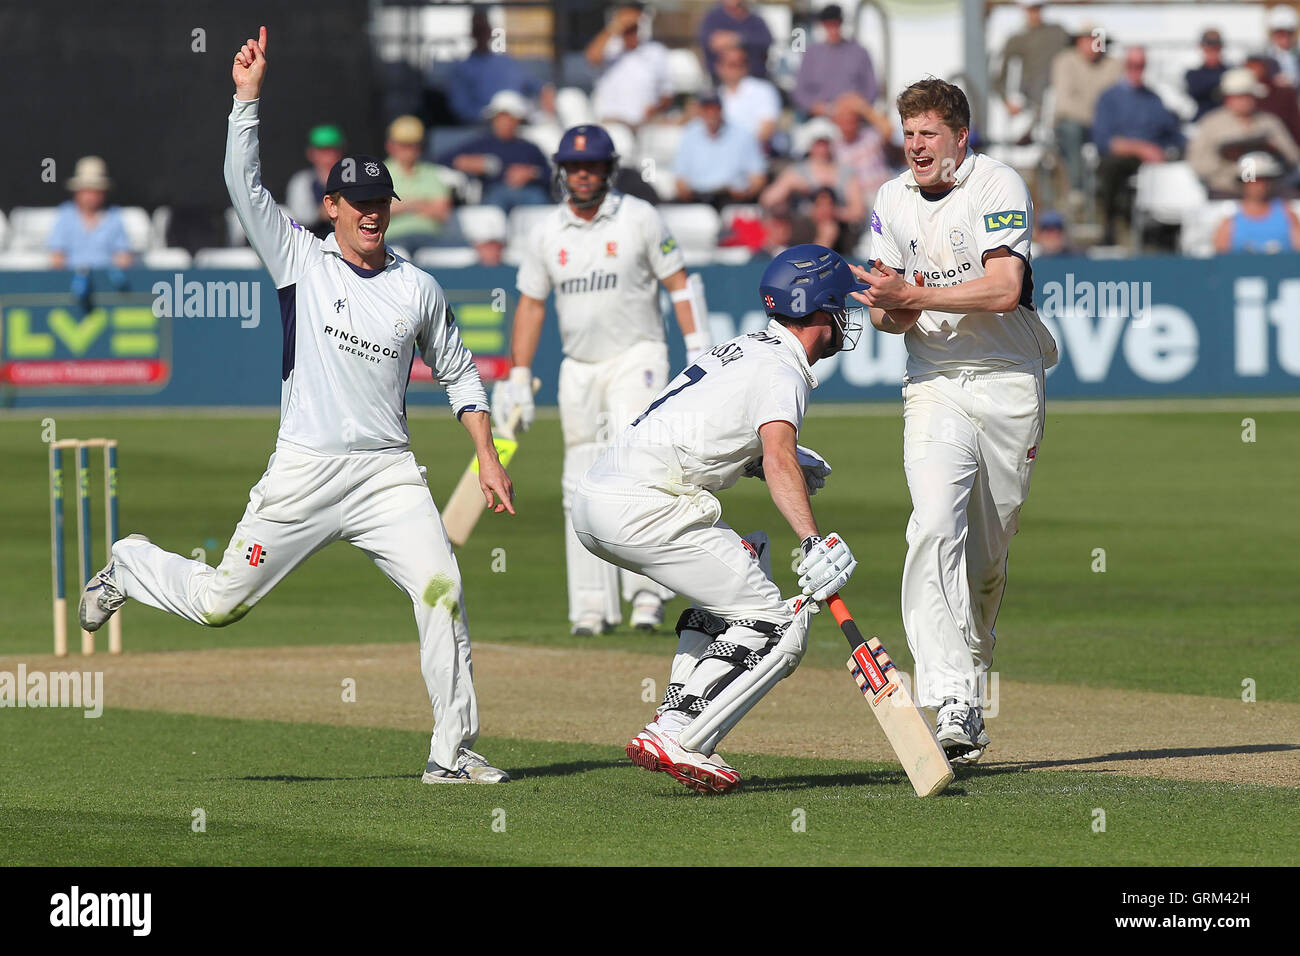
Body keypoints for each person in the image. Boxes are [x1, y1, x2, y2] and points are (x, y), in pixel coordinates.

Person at [79, 26, 516, 786]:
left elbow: (461, 373)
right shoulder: (298, 258)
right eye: (361, 203)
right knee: (220, 605)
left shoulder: (419, 286)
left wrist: (486, 456)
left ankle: (452, 753)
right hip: (306, 469)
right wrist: (246, 100)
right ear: (333, 204)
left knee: (442, 590)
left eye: (383, 202)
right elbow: (242, 188)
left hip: (387, 476)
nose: (375, 215)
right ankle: (131, 562)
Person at [570, 243, 859, 794]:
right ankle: (678, 732)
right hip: (643, 506)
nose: (844, 318)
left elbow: (713, 430)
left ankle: (678, 714)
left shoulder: (746, 347)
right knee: (775, 624)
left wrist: (767, 459)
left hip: (601, 499)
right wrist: (813, 542)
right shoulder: (783, 370)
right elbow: (777, 456)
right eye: (839, 305)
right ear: (820, 310)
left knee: (745, 562)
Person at [856, 78, 1058, 765]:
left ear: (960, 137)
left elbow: (1006, 289)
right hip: (934, 383)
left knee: (987, 558)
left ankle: (971, 665)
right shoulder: (890, 198)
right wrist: (891, 304)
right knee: (933, 524)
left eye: (928, 134)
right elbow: (886, 316)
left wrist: (913, 291)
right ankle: (954, 699)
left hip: (1008, 384)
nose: (915, 146)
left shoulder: (996, 184)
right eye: (908, 133)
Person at [494, 124, 712, 636]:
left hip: (638, 356)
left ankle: (647, 595)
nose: (583, 174)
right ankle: (591, 606)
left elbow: (678, 283)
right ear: (562, 172)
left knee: (639, 469)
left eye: (592, 165)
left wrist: (699, 348)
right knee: (579, 482)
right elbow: (530, 303)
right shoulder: (546, 232)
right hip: (579, 367)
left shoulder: (638, 217)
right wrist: (519, 373)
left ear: (609, 170)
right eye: (574, 166)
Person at [1091, 46, 1185, 244]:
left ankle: (1167, 233)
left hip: (1154, 159)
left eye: (1141, 65)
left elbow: (1172, 132)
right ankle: (1110, 225)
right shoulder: (1109, 98)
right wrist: (1141, 148)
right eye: (1132, 65)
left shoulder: (1153, 99)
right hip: (1122, 158)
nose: (1137, 69)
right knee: (1110, 167)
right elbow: (1104, 140)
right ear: (1125, 66)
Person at [1187, 68, 1300, 198]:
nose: (1244, 101)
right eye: (1239, 96)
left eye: (1248, 96)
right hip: (1227, 191)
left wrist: (1273, 153)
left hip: (1269, 192)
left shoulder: (1269, 122)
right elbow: (1197, 163)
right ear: (1227, 98)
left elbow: (1292, 156)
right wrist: (1228, 161)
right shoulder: (1211, 123)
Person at [1049, 23, 1122, 208]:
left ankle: (1108, 188)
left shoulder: (1113, 64)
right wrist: (1098, 116)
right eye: (1089, 38)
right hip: (1076, 122)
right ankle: (1077, 187)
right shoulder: (1064, 61)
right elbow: (1065, 103)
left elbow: (1116, 100)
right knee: (1070, 131)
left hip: (1105, 125)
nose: (1094, 43)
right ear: (1079, 42)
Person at [440, 91, 551, 212]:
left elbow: (551, 175)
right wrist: (466, 162)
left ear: (518, 120)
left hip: (528, 196)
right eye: (500, 117)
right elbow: (442, 160)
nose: (504, 122)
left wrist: (531, 173)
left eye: (509, 118)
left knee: (537, 199)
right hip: (493, 196)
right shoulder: (480, 145)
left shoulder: (529, 148)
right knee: (496, 202)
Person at [446, 7, 542, 126]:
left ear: (490, 31)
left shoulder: (507, 61)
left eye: (484, 30)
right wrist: (494, 118)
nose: (481, 34)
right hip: (483, 131)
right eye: (478, 30)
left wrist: (546, 93)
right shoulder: (461, 69)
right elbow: (461, 108)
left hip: (518, 127)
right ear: (472, 34)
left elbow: (535, 86)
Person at [673, 91, 767, 207]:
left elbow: (758, 177)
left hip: (731, 200)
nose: (711, 113)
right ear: (700, 111)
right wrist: (687, 194)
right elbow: (680, 179)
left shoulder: (742, 134)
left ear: (721, 110)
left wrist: (746, 194)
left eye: (714, 109)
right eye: (706, 109)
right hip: (698, 198)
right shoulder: (690, 133)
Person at [588, 3, 673, 129]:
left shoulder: (656, 51)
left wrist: (655, 109)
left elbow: (667, 94)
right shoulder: (609, 49)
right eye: (628, 29)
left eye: (635, 28)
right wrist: (617, 26)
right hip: (612, 123)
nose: (632, 33)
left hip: (646, 125)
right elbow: (592, 57)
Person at [383, 115, 460, 250]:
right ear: (391, 146)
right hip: (392, 238)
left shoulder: (433, 173)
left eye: (413, 145)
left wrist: (401, 206)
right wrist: (420, 204)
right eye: (403, 144)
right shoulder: (380, 171)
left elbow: (443, 212)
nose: (409, 150)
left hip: (430, 236)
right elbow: (377, 210)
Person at [993, 0, 1070, 133]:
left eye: (1037, 8)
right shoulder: (1016, 39)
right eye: (1031, 9)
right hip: (1027, 106)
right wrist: (1007, 102)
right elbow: (998, 74)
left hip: (1058, 103)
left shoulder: (1058, 33)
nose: (1035, 13)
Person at [792, 5, 880, 119]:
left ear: (841, 24)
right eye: (829, 25)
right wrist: (818, 108)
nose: (833, 29)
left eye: (836, 24)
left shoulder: (859, 52)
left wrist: (854, 107)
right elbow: (800, 93)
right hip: (820, 119)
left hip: (854, 119)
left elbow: (871, 89)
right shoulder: (811, 53)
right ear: (823, 25)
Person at [48, 156, 134, 270]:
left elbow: (124, 257)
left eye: (96, 191)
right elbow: (56, 257)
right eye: (87, 190)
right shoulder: (65, 215)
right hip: (71, 282)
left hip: (107, 283)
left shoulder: (114, 216)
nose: (91, 196)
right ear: (77, 192)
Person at [1214, 151, 1300, 252]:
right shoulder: (1230, 221)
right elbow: (1221, 259)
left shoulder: (1288, 216)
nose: (1258, 185)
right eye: (1252, 179)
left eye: (1263, 179)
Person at [715, 44, 782, 150]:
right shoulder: (714, 95)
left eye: (740, 64)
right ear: (719, 67)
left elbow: (767, 130)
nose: (735, 70)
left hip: (753, 155)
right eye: (731, 65)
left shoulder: (763, 91)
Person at [285, 123, 347, 239]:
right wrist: (326, 211)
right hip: (313, 243)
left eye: (333, 150)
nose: (329, 156)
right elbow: (302, 216)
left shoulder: (352, 179)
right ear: (311, 153)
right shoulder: (303, 181)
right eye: (323, 151)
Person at [699, 0, 773, 82]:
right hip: (721, 83)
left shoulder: (755, 20)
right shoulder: (712, 19)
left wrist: (737, 39)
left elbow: (765, 40)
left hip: (755, 80)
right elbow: (710, 42)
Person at [1186, 28, 1230, 121]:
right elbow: (1195, 91)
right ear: (1202, 49)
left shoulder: (1230, 72)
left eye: (1216, 49)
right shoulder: (1194, 74)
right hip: (1204, 120)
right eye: (1209, 50)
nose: (1212, 54)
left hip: (1228, 120)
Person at [1266, 5, 1300, 86]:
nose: (1285, 40)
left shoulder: (1296, 56)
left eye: (1288, 34)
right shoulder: (1266, 59)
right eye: (1280, 35)